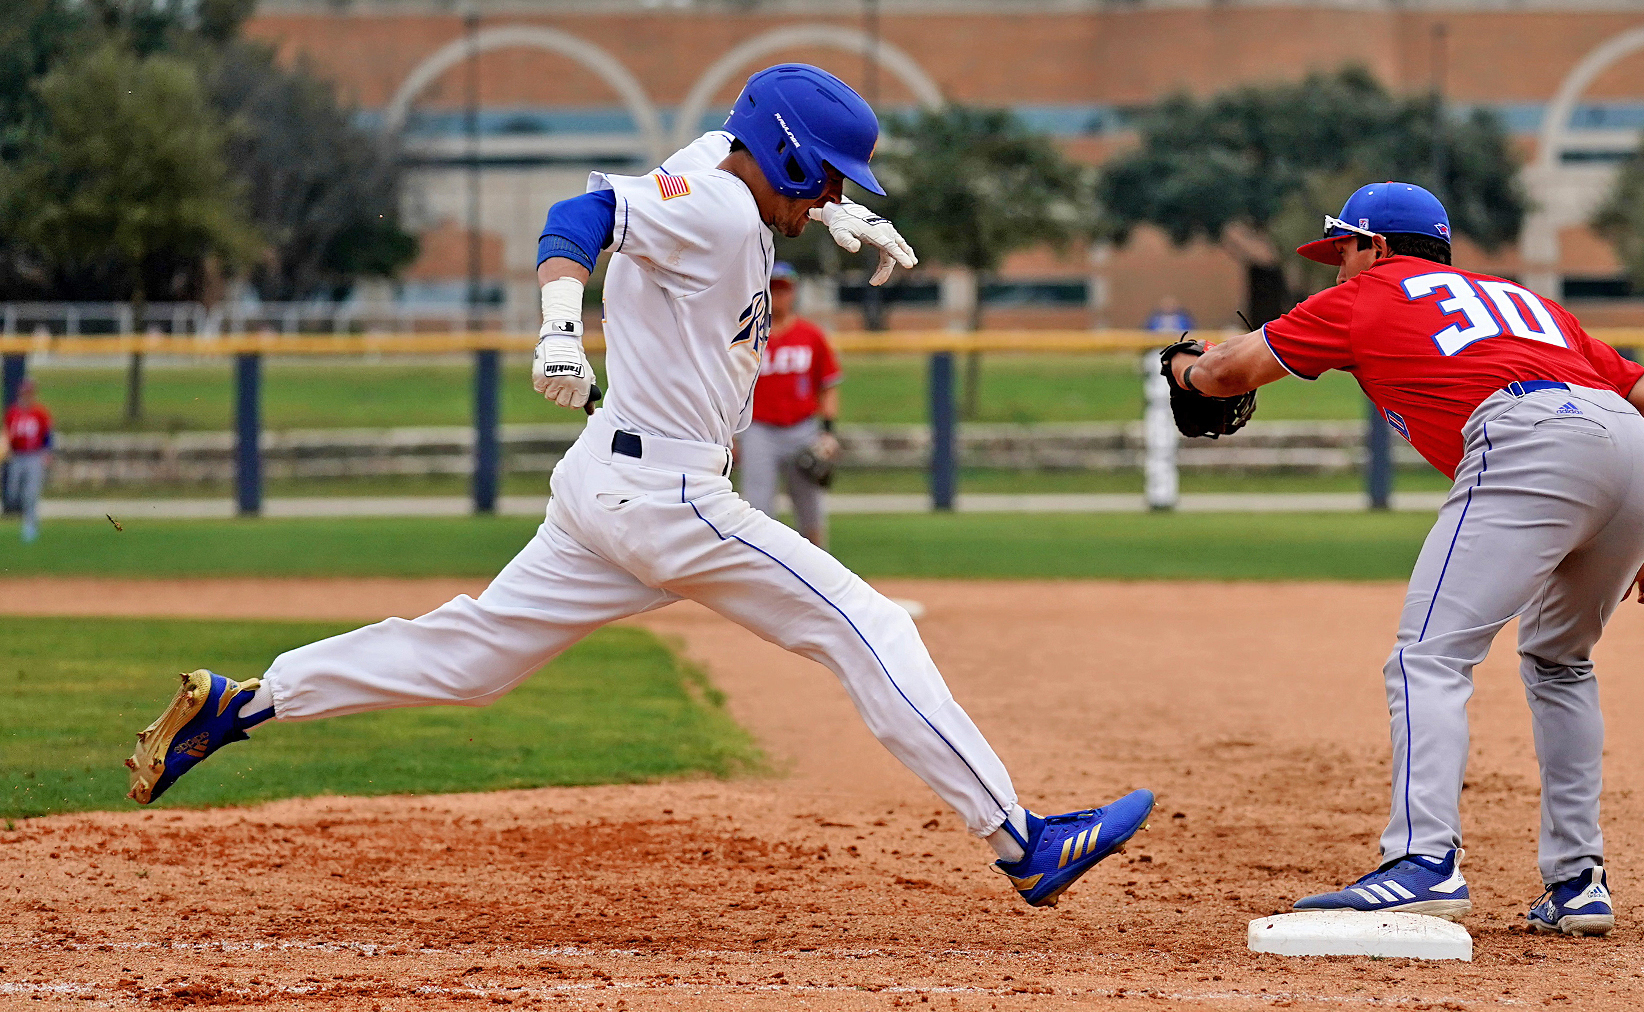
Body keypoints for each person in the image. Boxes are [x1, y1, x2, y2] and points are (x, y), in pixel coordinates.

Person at [123, 63, 1153, 909]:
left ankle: (247, 704)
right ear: (783, 155)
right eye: (825, 180)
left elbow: (704, 170)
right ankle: (1023, 842)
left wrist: (829, 218)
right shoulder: (712, 205)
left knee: (475, 657)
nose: (833, 196)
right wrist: (560, 329)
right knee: (869, 626)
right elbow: (583, 212)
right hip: (668, 498)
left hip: (603, 491)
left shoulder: (725, 167)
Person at [1164, 182, 1644, 937]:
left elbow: (1224, 376)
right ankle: (1580, 883)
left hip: (1529, 438)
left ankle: (1421, 863)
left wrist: (1182, 364)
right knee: (1561, 662)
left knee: (1427, 659)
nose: (1337, 267)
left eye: (1342, 248)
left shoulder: (1368, 293)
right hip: (1634, 452)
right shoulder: (1523, 302)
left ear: (1375, 246)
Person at [737, 261, 841, 547]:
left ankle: (819, 575)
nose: (778, 295)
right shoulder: (746, 337)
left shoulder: (811, 336)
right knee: (756, 510)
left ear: (793, 293)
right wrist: (731, 435)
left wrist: (828, 432)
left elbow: (828, 387)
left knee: (811, 512)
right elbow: (732, 390)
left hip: (803, 429)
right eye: (773, 289)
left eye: (784, 289)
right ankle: (760, 577)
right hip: (758, 430)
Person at [4, 377, 54, 543]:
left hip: (34, 455)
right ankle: (18, 514)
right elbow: (7, 434)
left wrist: (47, 452)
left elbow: (48, 434)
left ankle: (30, 525)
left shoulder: (40, 412)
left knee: (31, 493)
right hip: (17, 456)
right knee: (12, 491)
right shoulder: (12, 413)